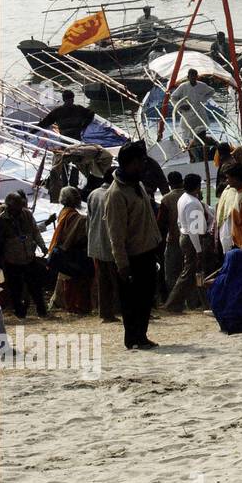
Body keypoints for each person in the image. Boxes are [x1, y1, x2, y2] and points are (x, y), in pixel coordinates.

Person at [103, 142, 162, 349]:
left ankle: (141, 336)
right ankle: (133, 338)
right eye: (140, 162)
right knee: (131, 301)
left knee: (146, 297)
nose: (144, 166)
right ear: (130, 163)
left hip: (147, 251)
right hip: (132, 256)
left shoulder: (137, 185)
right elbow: (115, 234)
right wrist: (122, 264)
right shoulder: (117, 194)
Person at [0, 192, 48, 318]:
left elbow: (35, 232)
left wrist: (43, 246)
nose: (20, 209)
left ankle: (42, 311)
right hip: (12, 261)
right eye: (17, 206)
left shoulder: (27, 214)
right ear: (9, 207)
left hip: (29, 257)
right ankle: (20, 313)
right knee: (16, 289)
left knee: (35, 287)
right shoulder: (2, 221)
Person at [167, 174, 209, 312]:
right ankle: (172, 303)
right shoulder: (193, 203)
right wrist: (198, 250)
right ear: (197, 187)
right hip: (192, 239)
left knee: (196, 272)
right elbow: (194, 230)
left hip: (185, 236)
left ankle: (200, 302)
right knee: (189, 272)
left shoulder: (183, 198)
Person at [46, 187, 92, 315]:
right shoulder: (75, 216)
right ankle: (73, 306)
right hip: (71, 251)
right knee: (75, 280)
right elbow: (77, 234)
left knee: (68, 280)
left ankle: (69, 304)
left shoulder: (63, 212)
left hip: (62, 249)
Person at [86, 169, 119, 322]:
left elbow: (89, 221)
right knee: (118, 280)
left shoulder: (93, 194)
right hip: (111, 244)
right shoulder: (113, 194)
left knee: (103, 281)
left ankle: (105, 313)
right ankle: (122, 309)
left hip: (96, 244)